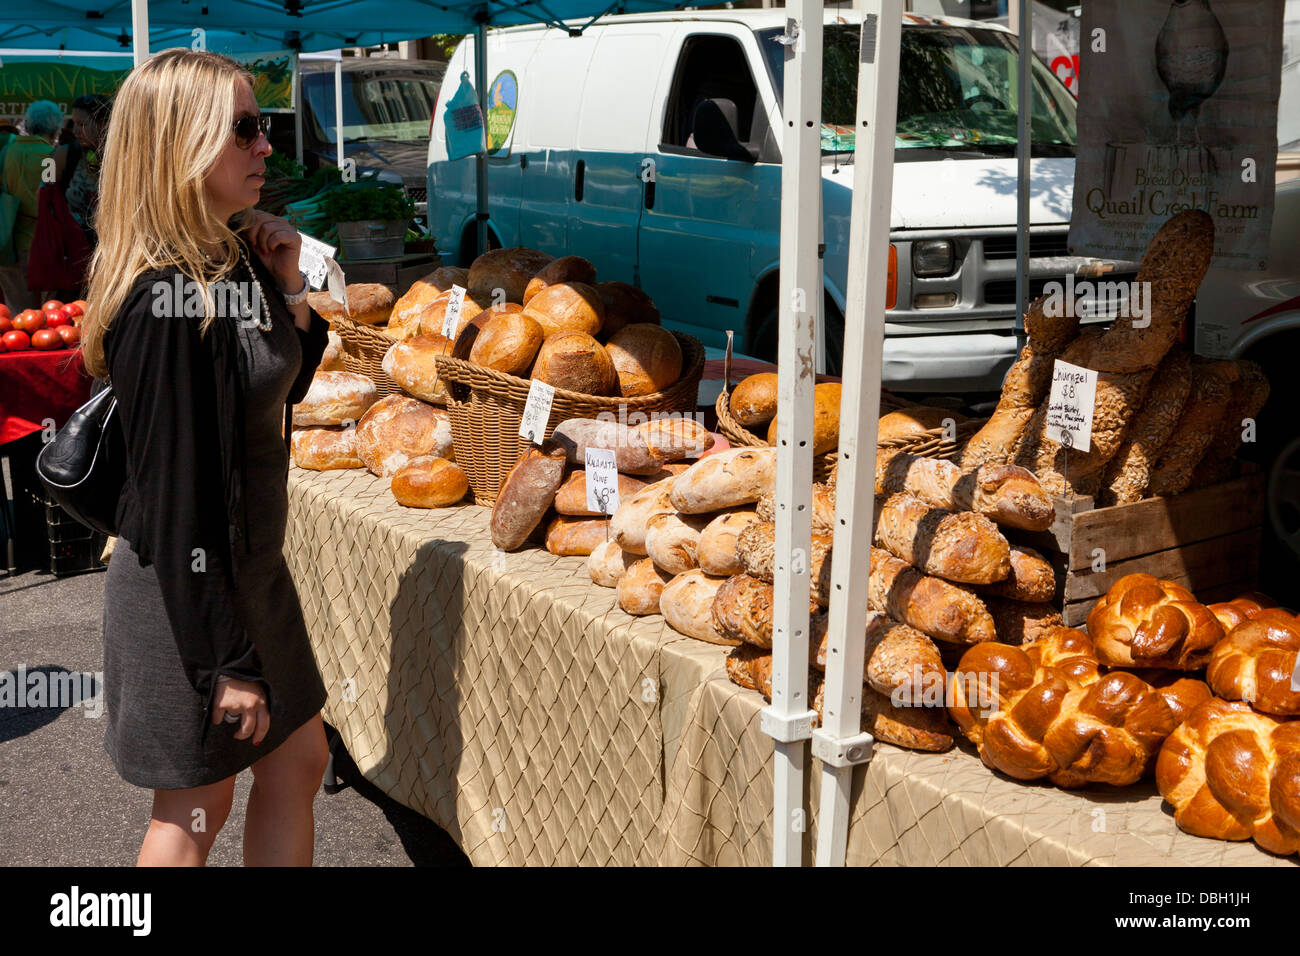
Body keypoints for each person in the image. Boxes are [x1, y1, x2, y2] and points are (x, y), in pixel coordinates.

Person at [79, 49, 332, 866]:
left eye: (265, 127)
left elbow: (279, 388)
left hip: (249, 569)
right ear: (180, 147)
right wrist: (226, 661)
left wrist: (288, 288)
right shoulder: (163, 300)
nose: (268, 146)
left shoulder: (227, 260)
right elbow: (178, 494)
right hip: (186, 588)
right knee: (193, 810)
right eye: (246, 130)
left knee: (298, 760)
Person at [0, 100, 61, 311]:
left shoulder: (7, 152)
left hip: (9, 241)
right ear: (55, 129)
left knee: (15, 313)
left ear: (27, 124)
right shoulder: (51, 157)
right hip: (43, 242)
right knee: (46, 313)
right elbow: (49, 194)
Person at [54, 94, 111, 243]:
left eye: (82, 124)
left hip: (110, 250)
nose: (75, 131)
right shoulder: (62, 154)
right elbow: (42, 191)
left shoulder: (124, 159)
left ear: (103, 124)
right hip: (72, 248)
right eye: (74, 124)